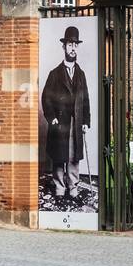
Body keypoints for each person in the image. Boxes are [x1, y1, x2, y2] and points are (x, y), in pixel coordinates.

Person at [41, 25, 91, 201]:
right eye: (69, 44)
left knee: (73, 157)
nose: (73, 48)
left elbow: (85, 99)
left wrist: (85, 120)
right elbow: (46, 97)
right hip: (60, 123)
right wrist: (52, 118)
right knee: (59, 156)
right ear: (64, 47)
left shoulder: (81, 74)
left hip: (75, 123)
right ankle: (60, 187)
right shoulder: (54, 74)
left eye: (75, 45)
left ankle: (73, 187)